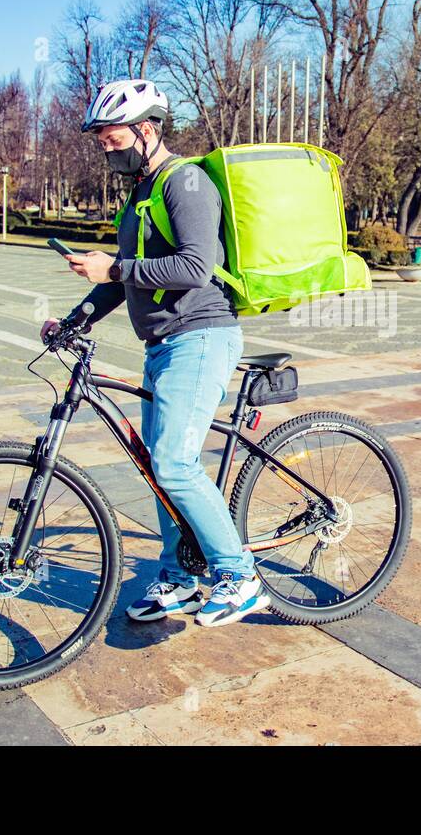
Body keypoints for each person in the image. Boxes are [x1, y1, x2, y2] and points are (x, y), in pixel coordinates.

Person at [42, 78, 269, 629]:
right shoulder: (139, 195)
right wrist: (75, 320)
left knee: (173, 462)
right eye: (100, 141)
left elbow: (195, 267)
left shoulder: (185, 183)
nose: (106, 149)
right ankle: (180, 577)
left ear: (146, 129)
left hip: (200, 337)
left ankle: (239, 576)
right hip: (163, 345)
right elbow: (120, 283)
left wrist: (113, 266)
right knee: (157, 469)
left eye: (112, 138)